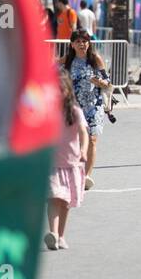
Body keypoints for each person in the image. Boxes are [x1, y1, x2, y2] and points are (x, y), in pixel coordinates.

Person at [45, 67, 88, 251]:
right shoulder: (47, 110)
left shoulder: (75, 111)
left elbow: (83, 133)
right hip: (52, 164)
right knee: (54, 198)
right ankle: (53, 234)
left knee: (66, 202)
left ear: (68, 90)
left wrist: (84, 150)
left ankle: (61, 235)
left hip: (71, 163)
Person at [64, 30, 114, 188]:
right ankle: (73, 172)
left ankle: (86, 176)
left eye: (84, 41)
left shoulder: (95, 59)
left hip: (94, 106)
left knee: (92, 140)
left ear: (89, 43)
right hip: (74, 106)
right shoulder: (67, 61)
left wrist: (98, 81)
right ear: (72, 44)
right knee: (75, 140)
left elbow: (108, 83)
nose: (81, 44)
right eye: (78, 41)